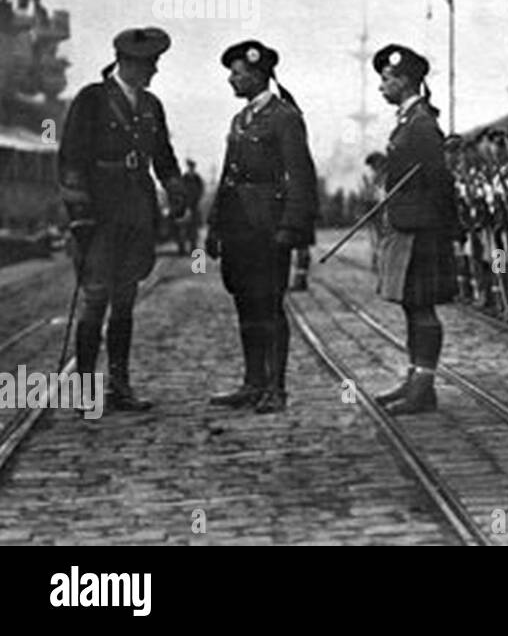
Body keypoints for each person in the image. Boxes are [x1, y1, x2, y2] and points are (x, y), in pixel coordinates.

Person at [58, 26, 185, 411]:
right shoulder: (91, 100)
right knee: (96, 298)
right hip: (99, 216)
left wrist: (176, 190)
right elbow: (71, 158)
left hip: (137, 215)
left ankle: (120, 386)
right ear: (127, 62)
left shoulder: (151, 106)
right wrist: (80, 214)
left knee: (126, 300)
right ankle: (84, 392)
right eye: (149, 64)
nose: (155, 71)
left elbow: (163, 156)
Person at [206, 40, 318, 414]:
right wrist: (214, 226)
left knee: (269, 306)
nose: (231, 80)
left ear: (257, 74)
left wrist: (291, 227)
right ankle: (252, 382)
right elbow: (227, 177)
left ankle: (276, 388)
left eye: (237, 73)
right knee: (244, 303)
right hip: (238, 227)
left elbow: (300, 175)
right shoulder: (240, 120)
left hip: (268, 228)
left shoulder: (284, 117)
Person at [371, 43, 459, 415]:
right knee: (411, 306)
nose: (381, 87)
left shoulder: (421, 124)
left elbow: (439, 181)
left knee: (421, 308)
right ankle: (414, 379)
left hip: (421, 229)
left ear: (405, 81)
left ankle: (423, 387)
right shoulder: (410, 121)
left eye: (386, 79)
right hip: (409, 224)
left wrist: (440, 226)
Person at [177, 159, 205, 255]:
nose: (191, 169)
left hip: (194, 206)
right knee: (182, 229)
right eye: (190, 167)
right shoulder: (183, 179)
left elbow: (201, 190)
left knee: (193, 229)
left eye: (192, 167)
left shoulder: (197, 179)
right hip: (184, 206)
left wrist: (196, 201)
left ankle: (193, 248)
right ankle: (181, 249)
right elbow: (180, 191)